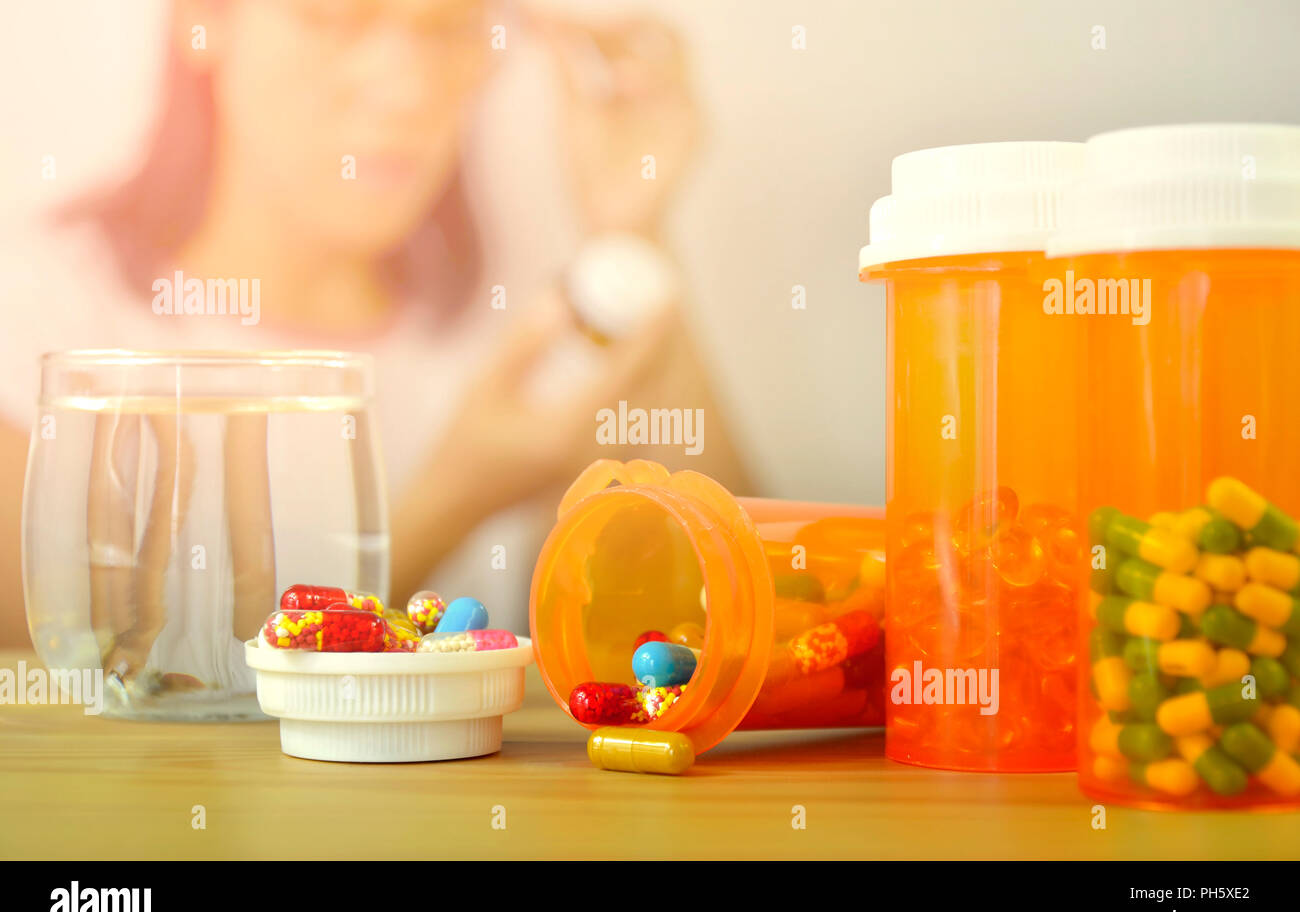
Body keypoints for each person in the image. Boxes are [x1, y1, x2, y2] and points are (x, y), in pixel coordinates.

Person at [0, 0, 751, 658]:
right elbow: (88, 707)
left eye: (452, 26)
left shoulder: (525, 325)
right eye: (334, 16)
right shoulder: (40, 311)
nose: (407, 89)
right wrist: (447, 503)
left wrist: (633, 235)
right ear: (203, 17)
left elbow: (751, 612)